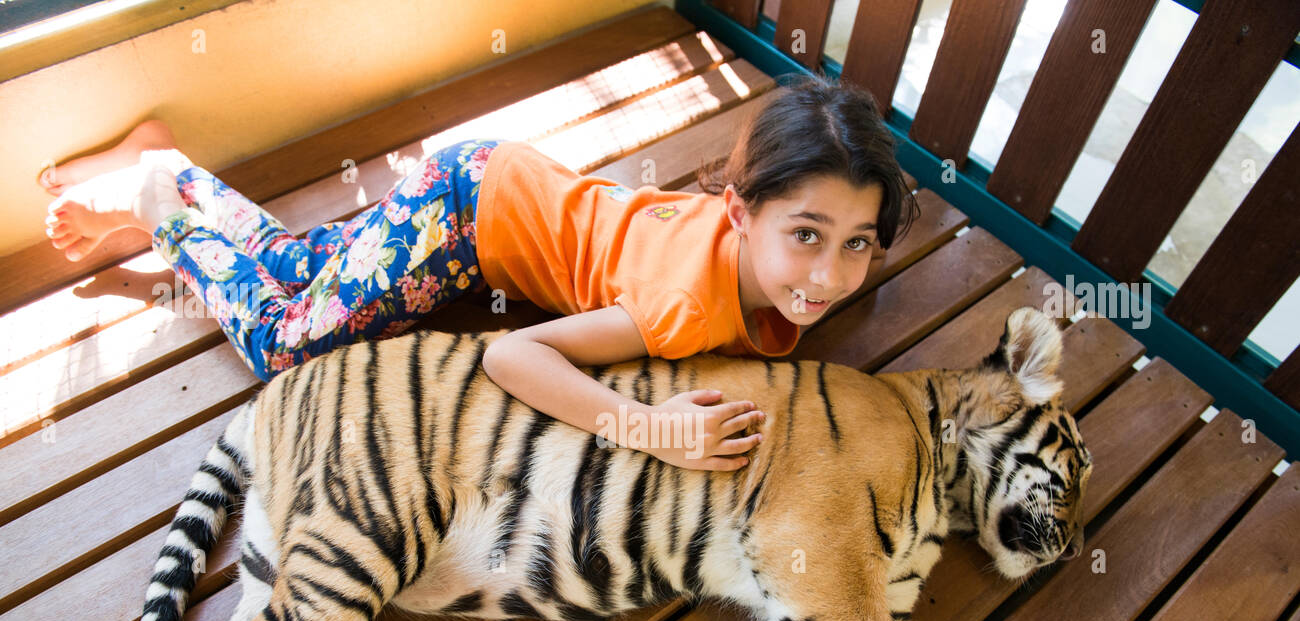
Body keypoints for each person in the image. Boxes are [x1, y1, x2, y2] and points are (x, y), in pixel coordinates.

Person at [41, 73, 917, 471]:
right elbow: (513, 357)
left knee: (312, 270)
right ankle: (160, 189)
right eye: (807, 235)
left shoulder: (791, 261)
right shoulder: (682, 308)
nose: (832, 273)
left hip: (508, 187)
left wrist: (822, 252)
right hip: (465, 211)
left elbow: (823, 250)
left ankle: (175, 174)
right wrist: (646, 427)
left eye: (857, 243)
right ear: (739, 212)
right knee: (290, 343)